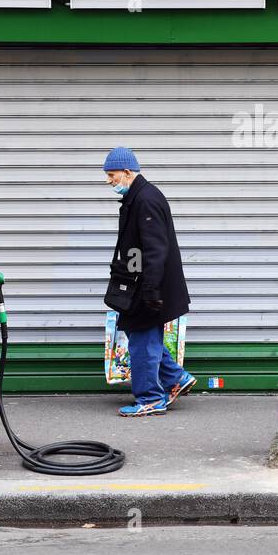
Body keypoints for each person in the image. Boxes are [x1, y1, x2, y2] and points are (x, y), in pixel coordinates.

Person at [102, 146, 195, 416]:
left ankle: (150, 398)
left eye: (112, 175)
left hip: (148, 286)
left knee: (142, 341)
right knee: (143, 335)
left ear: (128, 172)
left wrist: (151, 290)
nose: (109, 181)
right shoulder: (138, 197)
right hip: (141, 282)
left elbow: (155, 249)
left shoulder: (146, 200)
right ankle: (176, 378)